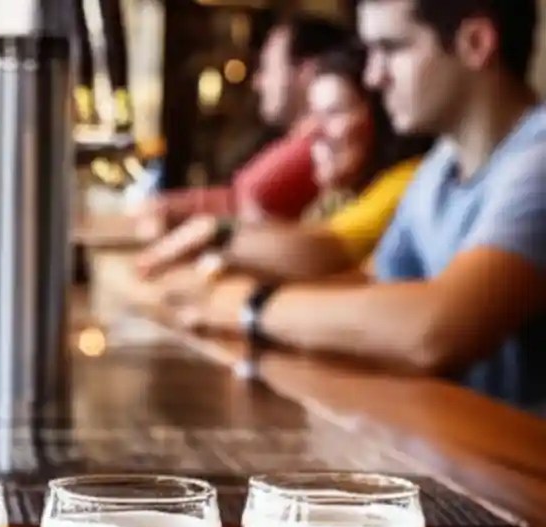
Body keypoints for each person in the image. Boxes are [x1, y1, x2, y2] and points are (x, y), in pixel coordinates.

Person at [182, 0, 546, 414]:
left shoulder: (539, 158)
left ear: (475, 43)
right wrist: (213, 296)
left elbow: (437, 328)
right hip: (470, 456)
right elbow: (370, 288)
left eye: (391, 49)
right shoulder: (441, 166)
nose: (373, 77)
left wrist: (253, 308)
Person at [136, 45, 434, 284]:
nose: (311, 132)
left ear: (382, 123)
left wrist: (217, 233)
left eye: (334, 113)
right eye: (312, 114)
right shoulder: (339, 197)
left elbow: (322, 251)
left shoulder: (405, 183)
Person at [107, 14, 352, 235]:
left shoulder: (318, 147)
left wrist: (163, 209)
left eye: (267, 67)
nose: (258, 82)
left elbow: (248, 202)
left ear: (305, 72)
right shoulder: (302, 142)